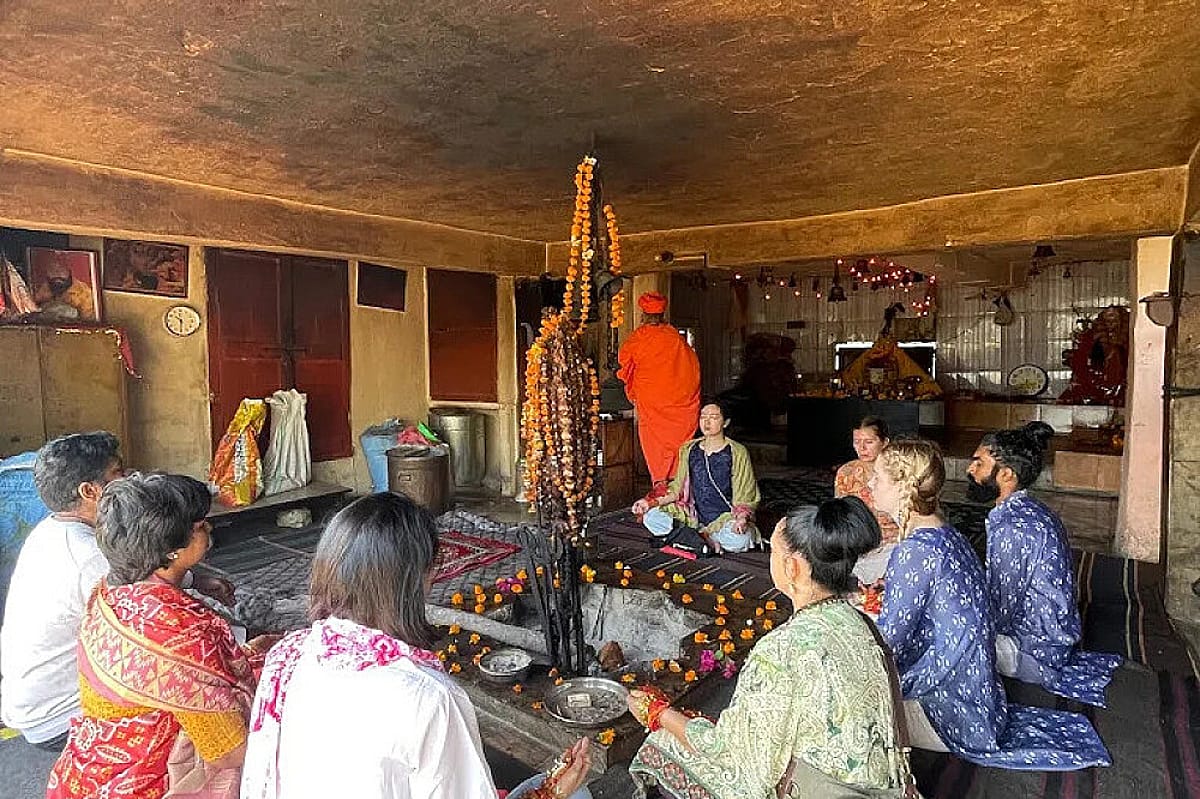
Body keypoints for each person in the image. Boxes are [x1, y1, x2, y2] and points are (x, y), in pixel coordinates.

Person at [240, 491, 593, 799]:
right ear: (416, 581)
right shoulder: (428, 697)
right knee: (580, 793)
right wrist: (550, 792)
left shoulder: (286, 657)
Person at [627, 497, 913, 799]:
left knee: (661, 743)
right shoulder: (859, 622)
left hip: (822, 788)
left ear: (792, 568)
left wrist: (657, 713)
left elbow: (729, 755)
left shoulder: (780, 650)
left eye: (774, 551)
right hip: (881, 786)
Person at [869, 439, 1110, 770]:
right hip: (982, 700)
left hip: (958, 709)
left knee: (845, 689)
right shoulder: (946, 531)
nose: (870, 483)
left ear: (901, 487)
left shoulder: (916, 551)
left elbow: (886, 643)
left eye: (878, 478)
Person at [0, 433, 235, 750]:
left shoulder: (53, 530)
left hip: (29, 703)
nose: (128, 478)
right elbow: (167, 635)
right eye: (119, 473)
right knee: (213, 700)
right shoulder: (91, 558)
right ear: (90, 491)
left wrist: (195, 580)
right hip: (60, 716)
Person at [47, 472, 272, 799]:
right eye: (199, 525)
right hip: (143, 781)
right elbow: (228, 751)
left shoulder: (109, 592)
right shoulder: (180, 632)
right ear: (170, 552)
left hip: (87, 769)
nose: (209, 528)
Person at [968, 422, 1121, 705]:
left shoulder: (1013, 526)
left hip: (1035, 652)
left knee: (945, 637)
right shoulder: (1030, 508)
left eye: (979, 464)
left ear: (1006, 475)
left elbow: (1003, 607)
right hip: (1055, 640)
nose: (970, 470)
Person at [632, 402, 759, 554]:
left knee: (741, 539)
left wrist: (742, 519)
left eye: (713, 417)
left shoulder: (737, 452)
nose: (706, 422)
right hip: (691, 517)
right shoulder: (689, 449)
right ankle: (702, 541)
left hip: (724, 518)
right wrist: (649, 503)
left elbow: (746, 494)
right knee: (651, 517)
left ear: (725, 422)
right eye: (703, 417)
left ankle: (690, 540)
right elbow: (676, 490)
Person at [617, 291, 701, 486]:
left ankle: (660, 484)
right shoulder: (675, 338)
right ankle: (678, 485)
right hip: (680, 404)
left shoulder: (638, 338)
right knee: (679, 445)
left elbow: (624, 368)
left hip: (651, 403)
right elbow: (693, 368)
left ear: (643, 315)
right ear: (662, 314)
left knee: (654, 445)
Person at [834, 416, 899, 581]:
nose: (861, 448)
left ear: (884, 442)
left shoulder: (898, 472)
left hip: (889, 542)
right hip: (856, 540)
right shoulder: (846, 472)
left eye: (869, 442)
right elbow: (840, 512)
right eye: (857, 442)